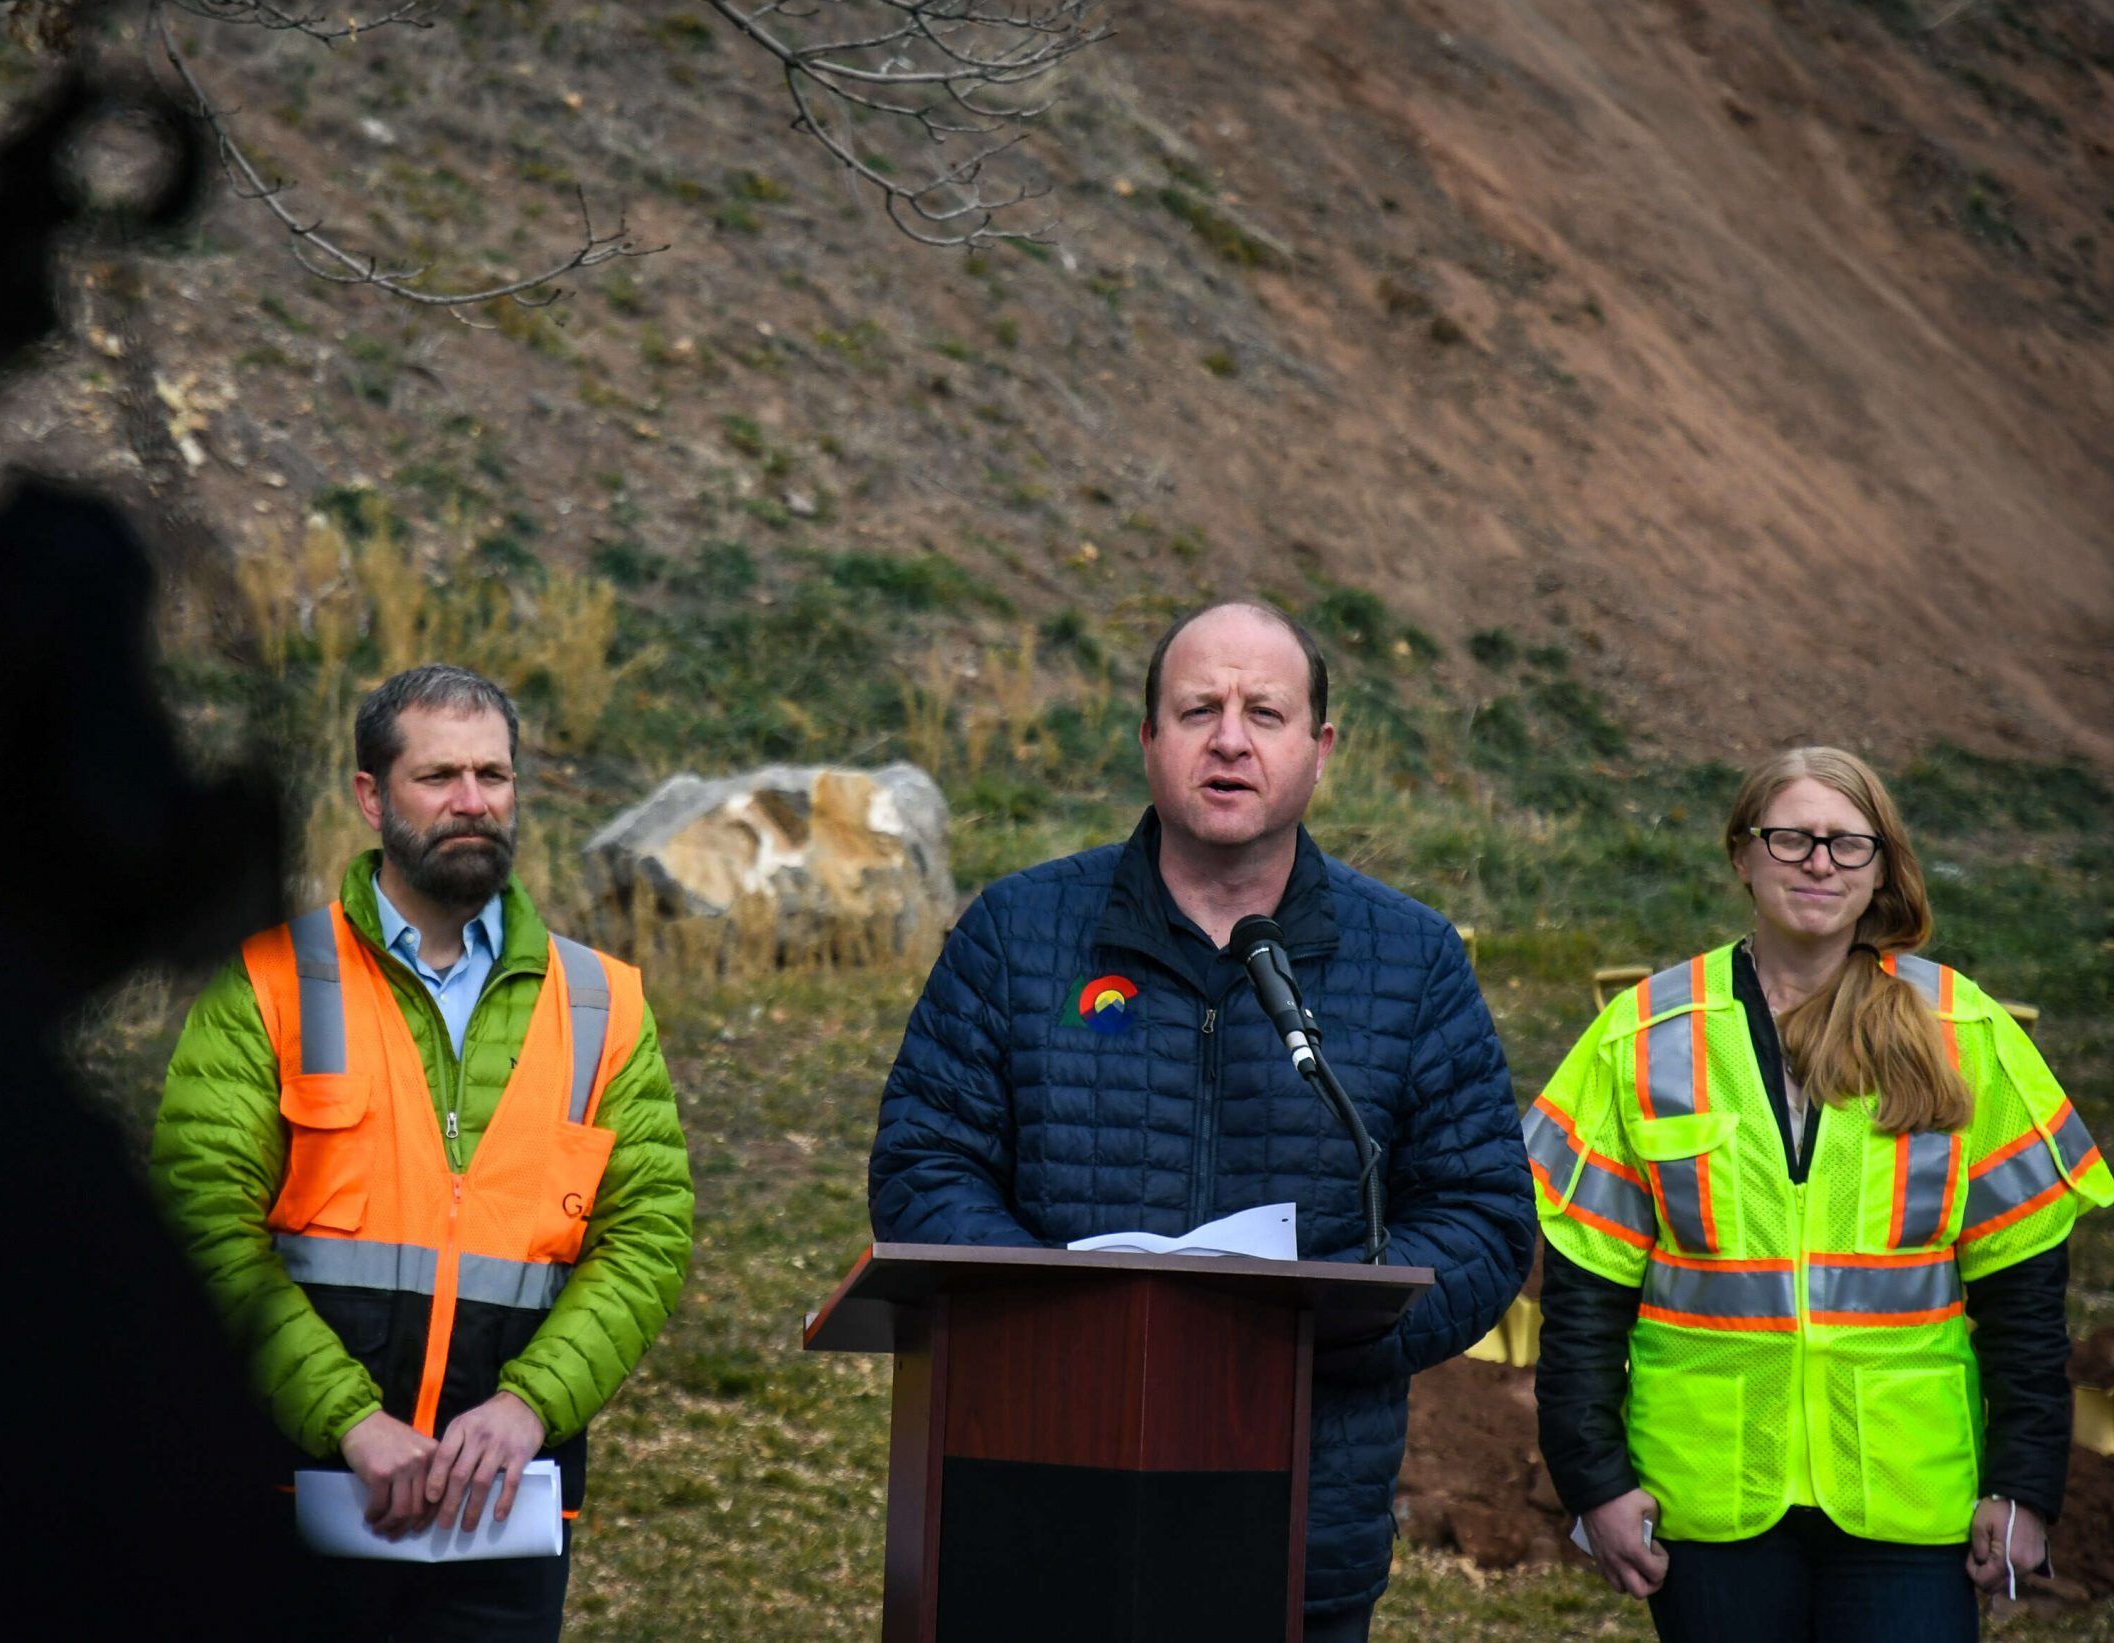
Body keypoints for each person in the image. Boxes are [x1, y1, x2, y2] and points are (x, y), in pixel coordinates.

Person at [868, 599, 1536, 1641]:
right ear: (1148, 739)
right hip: (1038, 1489)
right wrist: (1074, 1322)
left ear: (1319, 750)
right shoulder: (1016, 932)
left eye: (1264, 713)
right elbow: (924, 1167)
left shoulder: (1412, 961)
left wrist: (1317, 1328)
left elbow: (1482, 1214)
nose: (1229, 739)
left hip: (1293, 1527)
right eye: (1197, 711)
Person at [151, 665, 695, 1641]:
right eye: (439, 775)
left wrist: (529, 1406)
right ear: (371, 796)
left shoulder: (601, 1003)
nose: (472, 801)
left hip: (503, 1516)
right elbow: (202, 1229)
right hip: (295, 1501)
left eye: (494, 774)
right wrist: (350, 1423)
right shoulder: (269, 982)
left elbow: (647, 1237)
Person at [1529, 745, 2110, 1643]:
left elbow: (2025, 1298)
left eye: (1847, 843)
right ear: (1742, 853)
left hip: (1909, 1504)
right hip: (1710, 1501)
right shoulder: (1642, 1036)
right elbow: (1582, 1300)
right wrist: (1594, 1482)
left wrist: (2023, 1484)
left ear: (1879, 866)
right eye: (1791, 838)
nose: (1819, 862)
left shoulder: (1965, 1032)